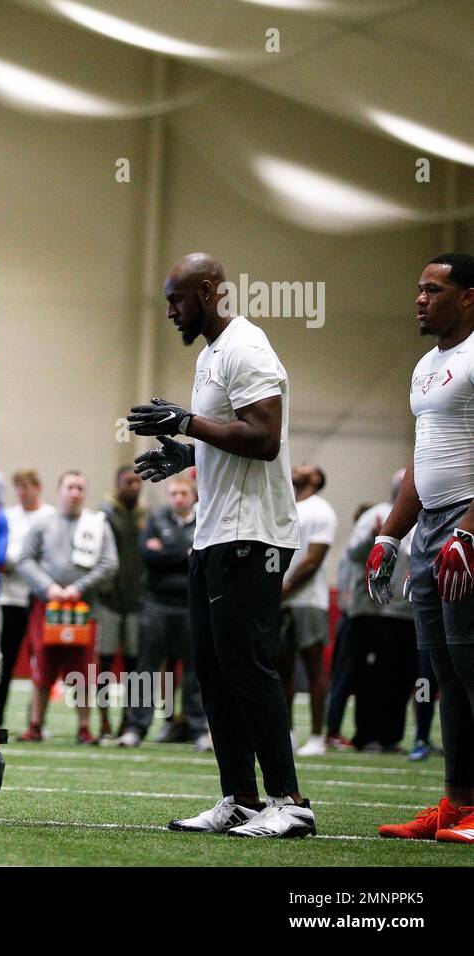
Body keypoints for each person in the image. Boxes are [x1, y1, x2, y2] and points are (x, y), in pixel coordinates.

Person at [131, 251, 314, 839]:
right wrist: (187, 453)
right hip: (215, 532)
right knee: (211, 670)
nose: (170, 312)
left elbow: (263, 436)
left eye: (177, 300)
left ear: (209, 291)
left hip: (253, 532)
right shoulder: (212, 354)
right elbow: (227, 434)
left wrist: (186, 424)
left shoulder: (246, 346)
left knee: (247, 666)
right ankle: (238, 798)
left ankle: (290, 801)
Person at [372, 252, 474, 844]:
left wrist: (470, 531)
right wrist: (390, 533)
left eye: (433, 289)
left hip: (467, 524)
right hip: (432, 527)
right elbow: (422, 461)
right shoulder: (424, 366)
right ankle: (458, 803)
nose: (419, 298)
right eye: (418, 288)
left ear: (468, 297)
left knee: (473, 667)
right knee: (447, 674)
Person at [15, 470, 118, 745]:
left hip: (83, 609)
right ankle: (35, 725)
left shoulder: (97, 524)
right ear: (59, 490)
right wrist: (48, 587)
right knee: (42, 669)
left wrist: (78, 587)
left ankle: (84, 729)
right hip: (47, 607)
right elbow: (24, 559)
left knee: (83, 670)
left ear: (85, 493)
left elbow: (109, 563)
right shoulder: (42, 523)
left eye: (80, 488)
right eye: (70, 487)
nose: (75, 493)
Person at [123, 475, 209, 749]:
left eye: (183, 493)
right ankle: (136, 727)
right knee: (146, 666)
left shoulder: (204, 521)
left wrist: (168, 552)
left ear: (193, 495)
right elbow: (146, 554)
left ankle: (197, 729)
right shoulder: (156, 520)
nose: (178, 498)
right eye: (173, 493)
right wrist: (182, 554)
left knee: (195, 669)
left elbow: (201, 557)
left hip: (191, 604)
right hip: (156, 603)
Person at [345, 474, 415, 752]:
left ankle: (391, 737)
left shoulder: (420, 519)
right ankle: (366, 734)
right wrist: (374, 538)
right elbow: (353, 553)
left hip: (405, 613)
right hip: (372, 611)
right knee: (370, 677)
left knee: (401, 677)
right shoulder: (376, 514)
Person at [278, 464, 337, 756]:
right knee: (281, 668)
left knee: (314, 667)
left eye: (305, 467)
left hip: (307, 600)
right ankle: (286, 733)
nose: (297, 468)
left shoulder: (321, 510)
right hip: (281, 600)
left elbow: (313, 560)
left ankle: (316, 736)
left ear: (316, 478)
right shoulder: (284, 503)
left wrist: (286, 587)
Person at [0, 469, 54, 727]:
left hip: (40, 597)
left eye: (26, 486)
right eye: (18, 486)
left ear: (38, 487)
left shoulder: (49, 516)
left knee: (41, 661)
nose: (22, 491)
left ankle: (36, 721)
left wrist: (21, 563)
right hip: (11, 597)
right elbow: (2, 554)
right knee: (5, 660)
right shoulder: (8, 515)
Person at [96, 466, 147, 744]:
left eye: (138, 481)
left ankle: (128, 719)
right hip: (108, 601)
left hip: (136, 602)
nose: (134, 486)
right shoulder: (104, 516)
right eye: (128, 482)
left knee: (132, 665)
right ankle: (103, 720)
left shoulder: (146, 517)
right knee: (104, 663)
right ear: (117, 485)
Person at [322, 502, 373, 752]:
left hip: (358, 617)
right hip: (353, 617)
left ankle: (358, 732)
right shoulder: (357, 548)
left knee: (358, 678)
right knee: (343, 676)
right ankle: (331, 730)